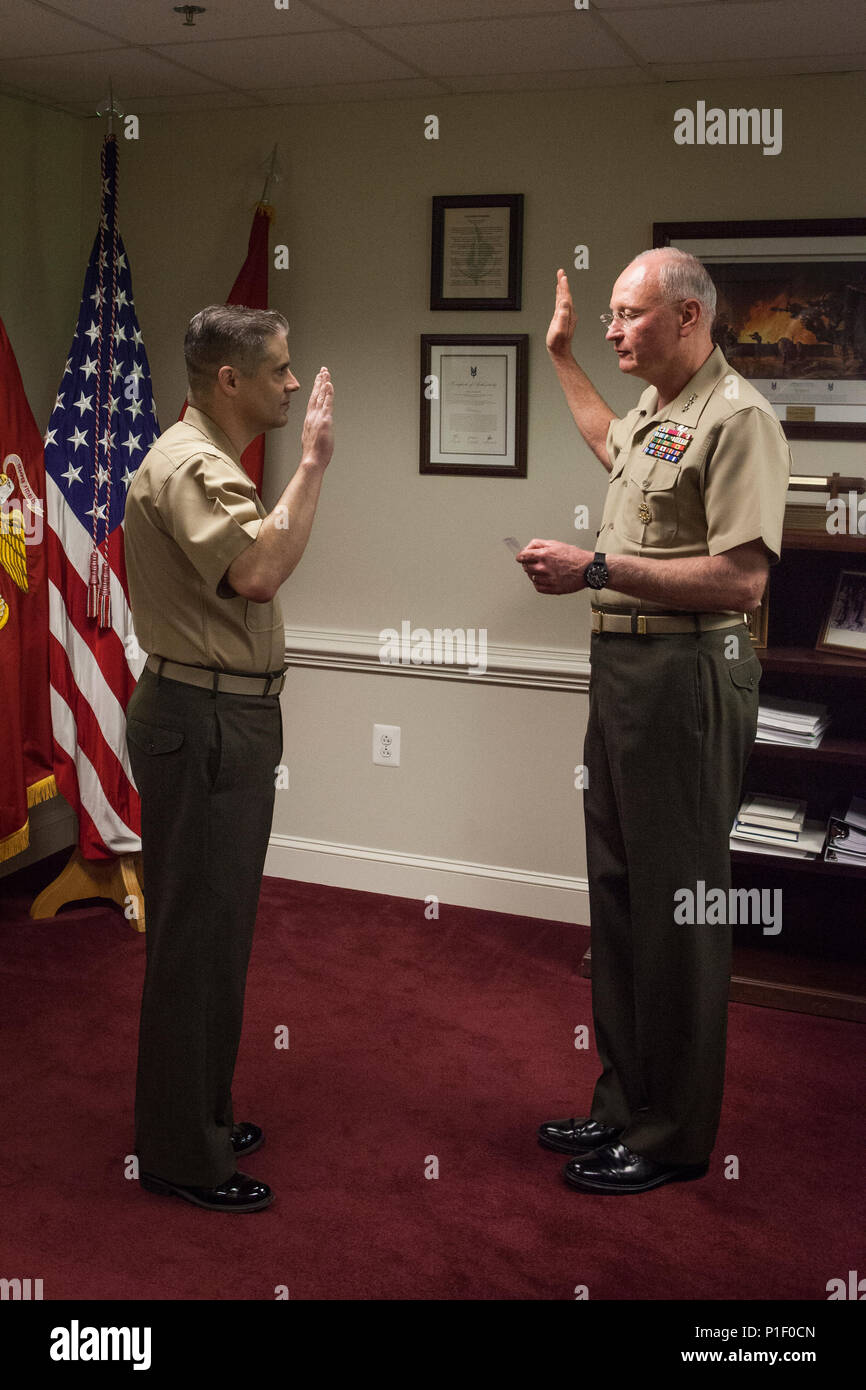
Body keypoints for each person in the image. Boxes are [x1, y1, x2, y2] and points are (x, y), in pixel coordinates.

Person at [520, 249, 790, 1194]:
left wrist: (595, 569)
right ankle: (623, 1102)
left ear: (687, 316)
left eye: (627, 315)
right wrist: (561, 359)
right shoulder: (661, 410)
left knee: (678, 907)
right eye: (605, 314)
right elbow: (616, 449)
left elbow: (743, 576)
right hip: (624, 668)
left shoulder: (739, 417)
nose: (611, 327)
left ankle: (672, 1135)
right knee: (622, 896)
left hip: (687, 674)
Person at [123, 305, 334, 1212]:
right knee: (195, 943)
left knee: (215, 937)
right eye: (280, 370)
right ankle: (181, 1153)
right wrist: (317, 463)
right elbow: (257, 572)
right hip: (202, 720)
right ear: (229, 382)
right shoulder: (193, 465)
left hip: (221, 719)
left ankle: (197, 1112)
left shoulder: (207, 460)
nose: (293, 384)